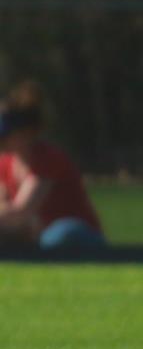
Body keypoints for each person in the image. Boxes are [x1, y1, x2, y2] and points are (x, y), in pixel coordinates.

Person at [0, 82, 106, 250]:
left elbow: (21, 212)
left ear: (27, 132)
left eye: (6, 134)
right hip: (39, 237)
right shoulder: (4, 164)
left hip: (79, 236)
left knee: (61, 234)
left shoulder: (48, 159)